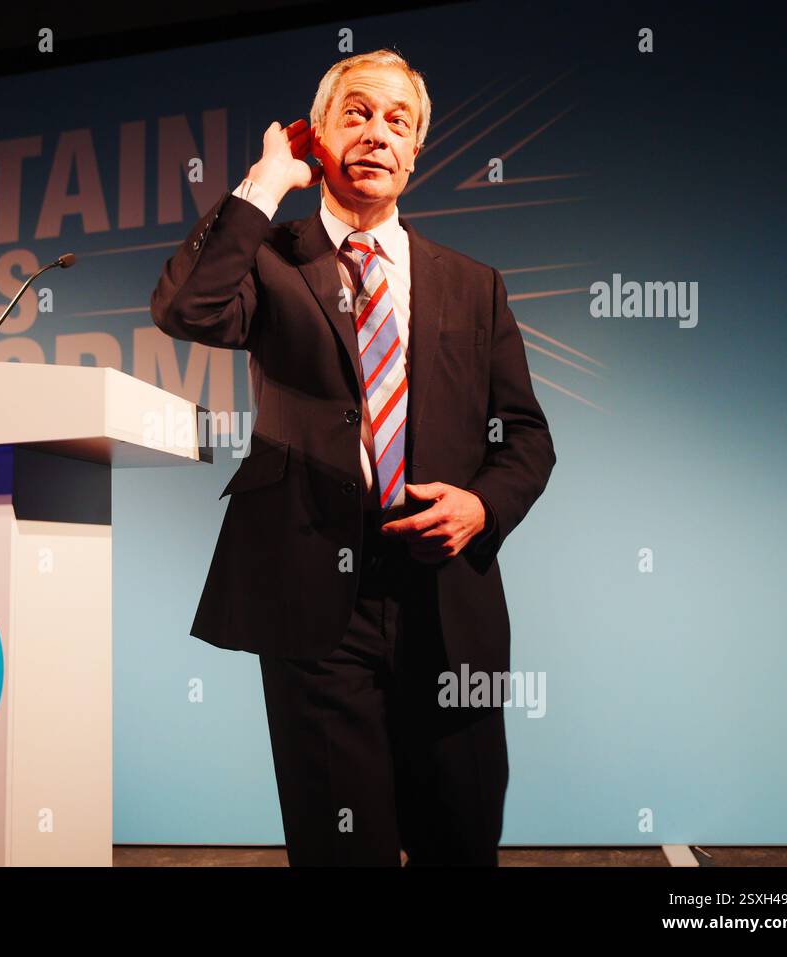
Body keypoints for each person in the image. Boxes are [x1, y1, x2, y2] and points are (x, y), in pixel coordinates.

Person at [150, 48, 556, 866]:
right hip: (313, 603)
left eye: (397, 121)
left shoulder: (475, 285)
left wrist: (480, 507)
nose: (377, 133)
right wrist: (266, 183)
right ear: (318, 135)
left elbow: (524, 435)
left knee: (461, 844)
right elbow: (186, 307)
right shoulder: (269, 259)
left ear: (415, 150)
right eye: (357, 114)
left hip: (449, 601)